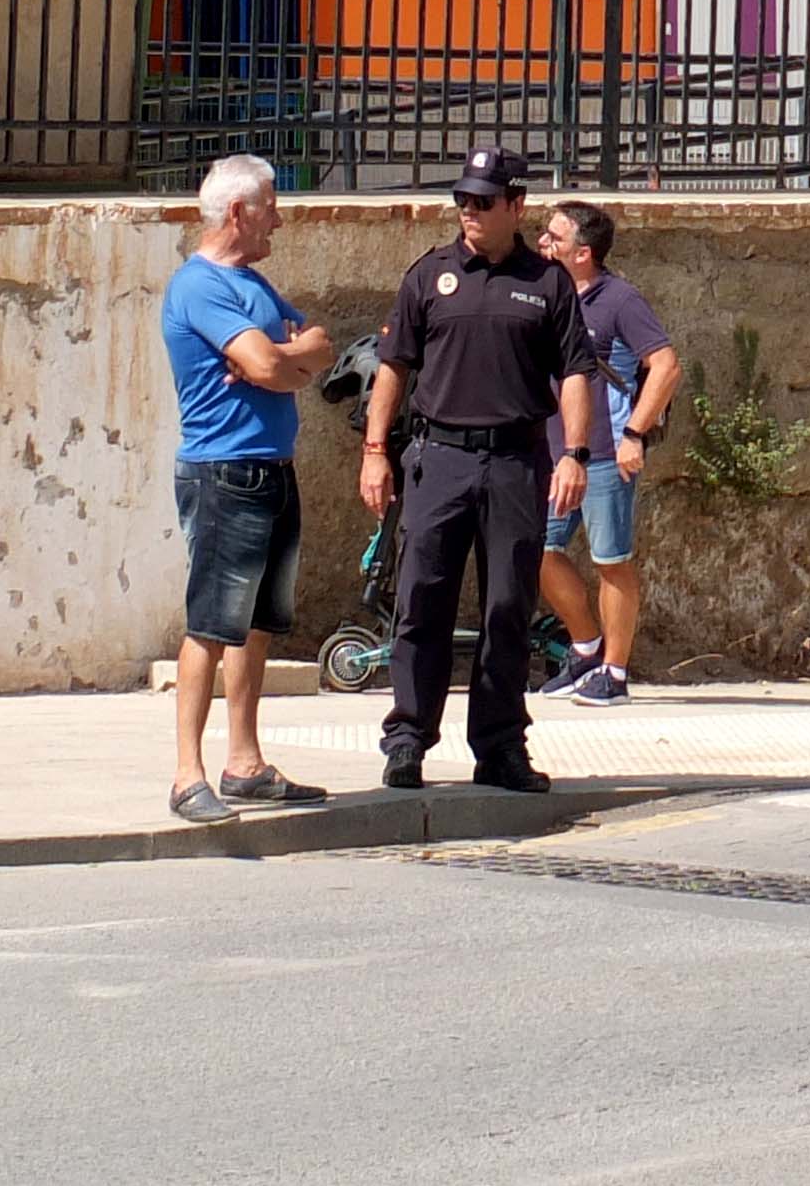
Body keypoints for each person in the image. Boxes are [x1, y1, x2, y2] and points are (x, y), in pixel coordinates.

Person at [358, 148, 596, 795]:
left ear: (516, 206)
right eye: (463, 199)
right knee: (421, 601)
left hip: (517, 461)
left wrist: (574, 453)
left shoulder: (547, 284)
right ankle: (407, 740)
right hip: (439, 460)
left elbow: (575, 372)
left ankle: (499, 748)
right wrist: (375, 450)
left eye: (484, 201)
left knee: (507, 610)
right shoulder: (428, 276)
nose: (470, 211)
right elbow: (393, 366)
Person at [159, 154, 336, 824]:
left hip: (273, 468)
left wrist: (280, 360)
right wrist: (274, 359)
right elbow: (269, 360)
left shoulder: (255, 286)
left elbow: (315, 350)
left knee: (259, 625)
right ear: (238, 211)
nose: (280, 220)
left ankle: (245, 762)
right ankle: (186, 775)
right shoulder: (198, 287)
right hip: (222, 472)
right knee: (210, 623)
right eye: (271, 205)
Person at [536, 200, 680, 705]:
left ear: (584, 253)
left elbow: (664, 366)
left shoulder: (619, 300)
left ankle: (615, 674)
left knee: (611, 561)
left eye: (554, 238)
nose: (542, 244)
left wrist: (634, 434)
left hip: (604, 453)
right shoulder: (543, 293)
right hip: (553, 454)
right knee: (537, 549)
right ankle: (586, 647)